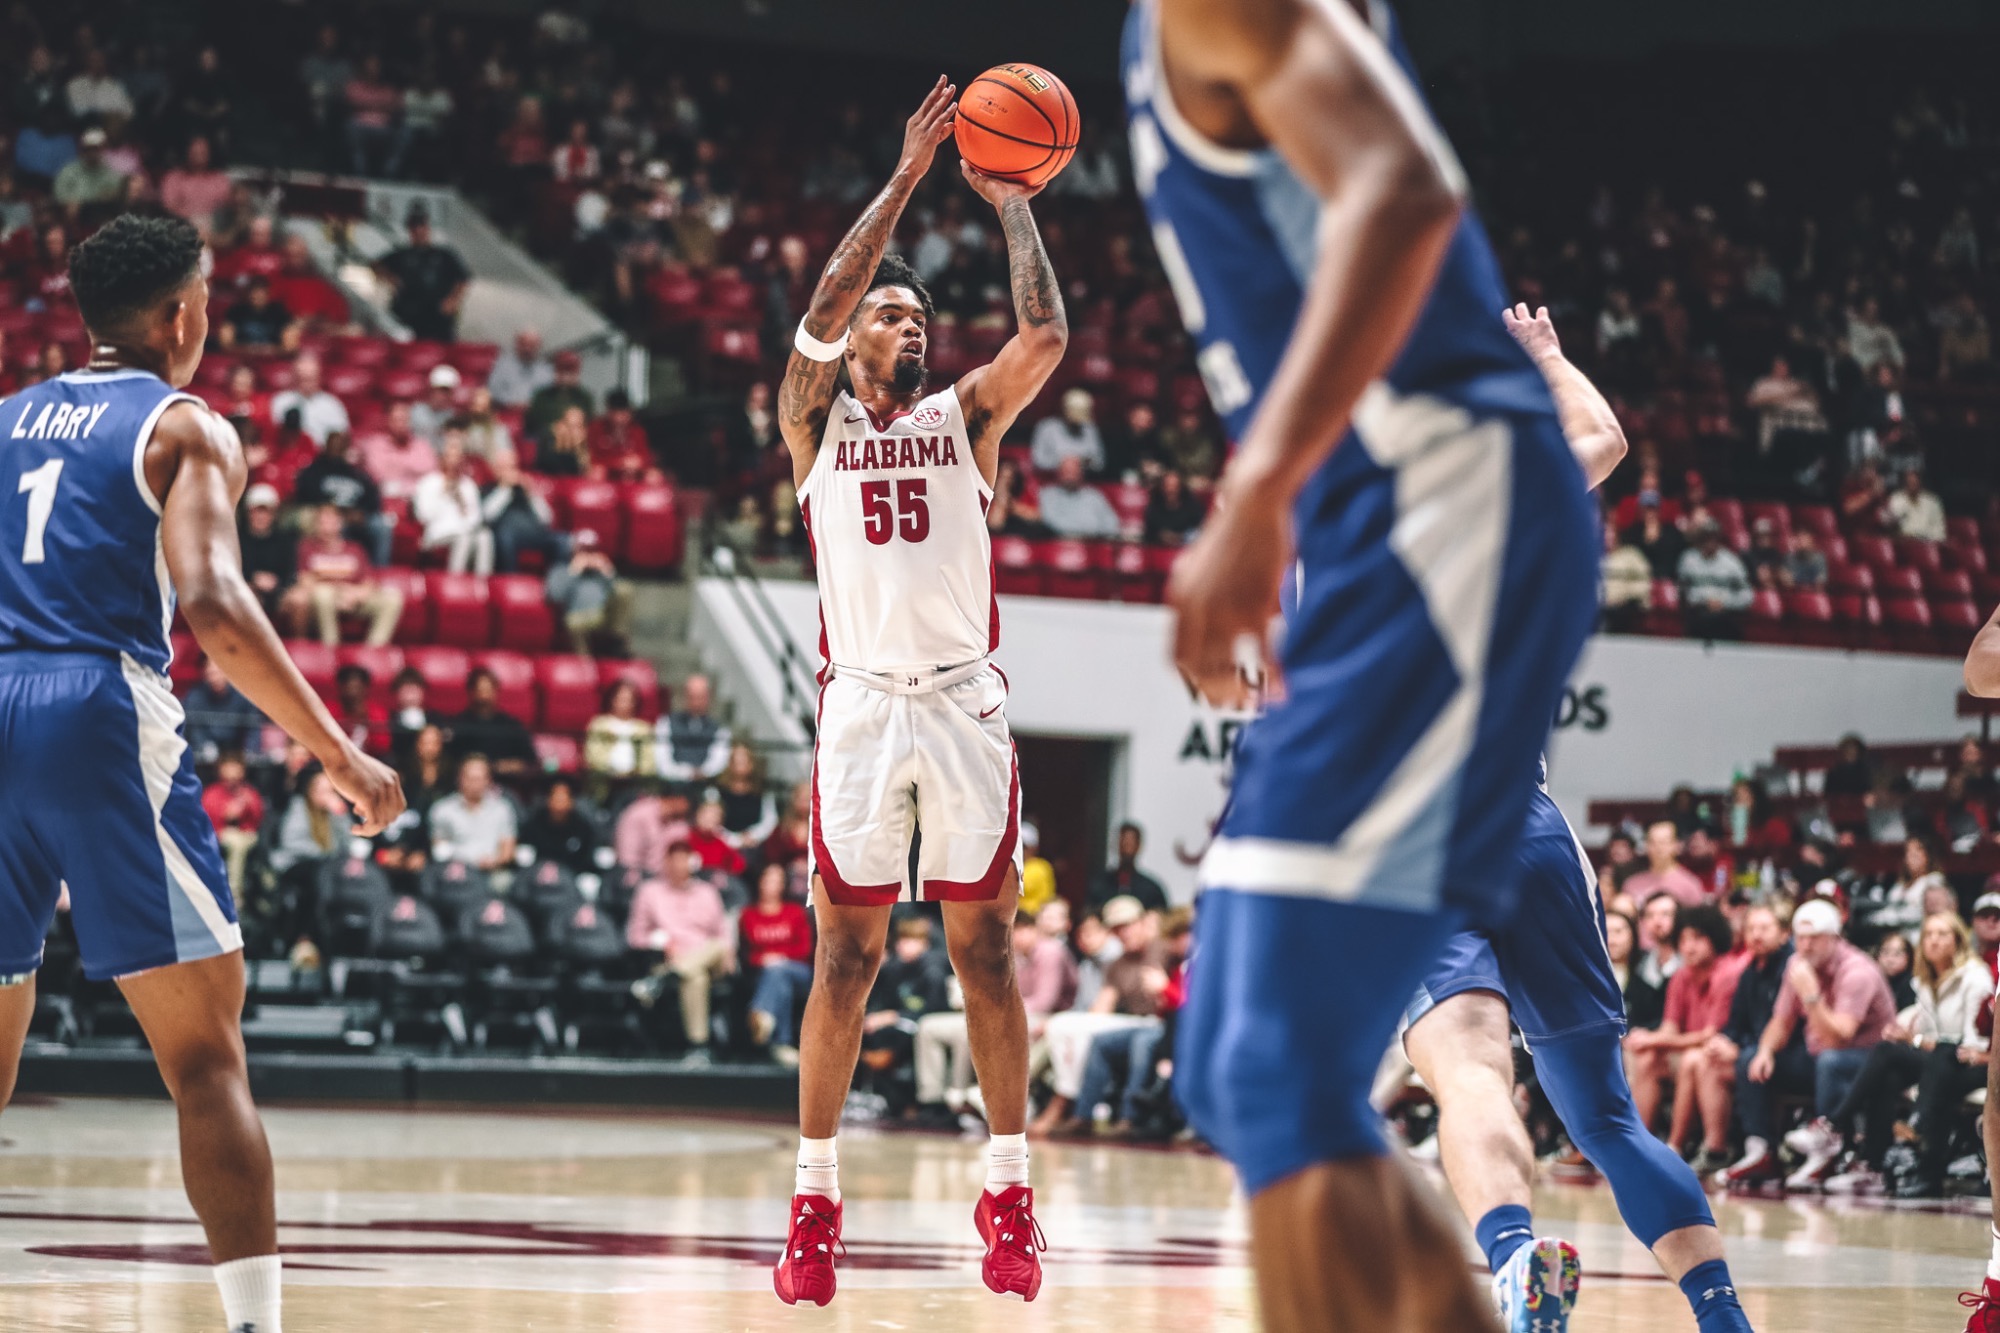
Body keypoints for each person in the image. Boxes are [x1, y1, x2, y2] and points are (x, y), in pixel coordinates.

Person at [1124, 3, 1622, 1330]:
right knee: (1239, 1073)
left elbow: (1401, 198)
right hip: (1384, 545)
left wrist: (1258, 492)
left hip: (1439, 525)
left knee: (1274, 1069)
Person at [0, 212, 403, 1333]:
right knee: (203, 1051)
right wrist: (340, 754)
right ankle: (254, 1328)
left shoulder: (6, 422)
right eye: (209, 297)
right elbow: (217, 608)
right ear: (182, 315)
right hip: (97, 708)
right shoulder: (185, 425)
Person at [769, 78, 1067, 1307]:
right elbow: (824, 307)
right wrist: (901, 184)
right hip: (859, 706)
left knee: (984, 951)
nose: (908, 329)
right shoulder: (811, 422)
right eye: (892, 316)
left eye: (917, 319)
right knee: (843, 962)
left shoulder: (966, 419)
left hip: (959, 705)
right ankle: (813, 1201)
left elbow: (1041, 338)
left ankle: (1007, 1193)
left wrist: (1009, 204)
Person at [1401, 302, 1749, 1333]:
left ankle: (1513, 1263)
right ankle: (1722, 1319)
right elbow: (1602, 439)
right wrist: (1548, 358)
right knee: (1602, 1115)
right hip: (1530, 823)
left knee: (1468, 1075)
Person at [1811, 912, 1991, 1199]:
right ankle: (1874, 1165)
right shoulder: (1924, 981)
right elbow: (1933, 1035)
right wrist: (1909, 1036)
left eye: (1942, 934)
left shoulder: (1975, 978)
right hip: (1942, 1061)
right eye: (1928, 934)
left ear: (1958, 941)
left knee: (1908, 1056)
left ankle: (1836, 1127)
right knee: (1890, 1071)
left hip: (1976, 1063)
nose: (1933, 940)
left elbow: (1971, 1045)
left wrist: (1916, 1040)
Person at [1723, 899, 1896, 1190]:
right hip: (1818, 1056)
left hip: (1865, 1060)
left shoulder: (1857, 971)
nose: (1805, 946)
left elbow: (1838, 1038)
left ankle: (1825, 1154)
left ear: (1835, 938)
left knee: (1830, 1061)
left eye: (1814, 938)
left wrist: (1812, 997)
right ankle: (1761, 1150)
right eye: (1800, 938)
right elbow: (1781, 1020)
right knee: (1750, 1058)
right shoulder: (1797, 964)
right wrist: (1765, 1051)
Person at [1624, 905, 1747, 1144]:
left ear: (1714, 938)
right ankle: (1639, 1143)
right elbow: (1670, 1026)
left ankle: (1677, 1145)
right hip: (1688, 1049)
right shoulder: (1681, 976)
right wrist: (1649, 1039)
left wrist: (1655, 1038)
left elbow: (1710, 1035)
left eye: (1698, 938)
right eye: (1682, 939)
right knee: (1646, 1057)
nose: (1689, 947)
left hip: (1720, 1051)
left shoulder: (1728, 975)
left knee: (1692, 1058)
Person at [625, 839, 735, 1058]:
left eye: (683, 860)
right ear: (665, 862)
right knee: (695, 978)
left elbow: (722, 934)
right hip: (668, 960)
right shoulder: (650, 891)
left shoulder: (707, 892)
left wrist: (729, 954)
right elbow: (635, 936)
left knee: (718, 946)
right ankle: (699, 1047)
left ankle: (666, 979)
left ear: (692, 863)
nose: (679, 865)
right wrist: (661, 942)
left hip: (709, 957)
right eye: (674, 860)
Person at [293, 504, 404, 647]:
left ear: (340, 523)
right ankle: (332, 648)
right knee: (323, 594)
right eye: (322, 521)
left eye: (331, 521)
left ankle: (373, 651)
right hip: (324, 598)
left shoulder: (355, 548)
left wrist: (355, 595)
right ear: (316, 524)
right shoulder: (307, 547)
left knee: (393, 599)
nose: (327, 526)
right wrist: (338, 592)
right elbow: (305, 581)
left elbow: (368, 582)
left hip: (353, 597)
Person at [741, 862, 814, 1066]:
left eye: (777, 880)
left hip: (800, 971)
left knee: (779, 971)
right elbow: (747, 954)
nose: (771, 885)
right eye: (767, 879)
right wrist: (766, 960)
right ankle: (781, 1044)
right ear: (759, 882)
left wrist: (779, 958)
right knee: (779, 982)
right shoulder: (748, 914)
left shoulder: (795, 912)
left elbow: (804, 950)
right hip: (764, 974)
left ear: (784, 885)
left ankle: (762, 1012)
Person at [375, 207, 470, 342]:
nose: (418, 231)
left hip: (437, 317)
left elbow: (463, 278)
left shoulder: (444, 254)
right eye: (414, 227)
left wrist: (453, 300)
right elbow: (376, 264)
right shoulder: (402, 254)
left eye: (422, 226)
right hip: (407, 313)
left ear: (428, 228)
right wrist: (390, 278)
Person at [411, 429, 494, 574]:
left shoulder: (468, 485)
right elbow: (423, 515)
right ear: (442, 458)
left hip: (464, 530)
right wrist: (442, 492)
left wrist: (462, 506)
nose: (454, 461)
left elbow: (477, 518)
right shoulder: (429, 482)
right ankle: (455, 581)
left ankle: (482, 584)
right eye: (450, 456)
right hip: (437, 534)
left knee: (484, 536)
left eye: (458, 457)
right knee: (464, 538)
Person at [545, 529, 632, 654]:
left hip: (603, 615)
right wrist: (574, 571)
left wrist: (608, 573)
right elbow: (555, 596)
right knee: (574, 624)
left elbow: (618, 596)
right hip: (579, 615)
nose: (588, 554)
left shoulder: (601, 571)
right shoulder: (561, 570)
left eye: (592, 550)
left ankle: (617, 643)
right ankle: (586, 666)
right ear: (573, 549)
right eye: (583, 550)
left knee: (624, 589)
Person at [427, 753, 517, 873]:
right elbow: (439, 850)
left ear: (489, 780)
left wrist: (495, 862)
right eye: (471, 778)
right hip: (455, 872)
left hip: (494, 871)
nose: (475, 784)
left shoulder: (502, 808)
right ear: (460, 779)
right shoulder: (442, 809)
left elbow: (508, 850)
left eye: (480, 778)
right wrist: (467, 863)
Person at [447, 667, 538, 779]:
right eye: (480, 690)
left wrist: (508, 766)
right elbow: (449, 762)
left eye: (488, 690)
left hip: (504, 784)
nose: (484, 696)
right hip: (467, 784)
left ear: (496, 692)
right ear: (471, 692)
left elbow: (530, 762)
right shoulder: (459, 726)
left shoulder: (511, 726)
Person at [1677, 518, 1753, 641]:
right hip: (1698, 614)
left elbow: (1747, 595)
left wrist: (1725, 603)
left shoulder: (1732, 562)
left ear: (1719, 539)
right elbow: (1682, 593)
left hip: (1726, 615)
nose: (1710, 542)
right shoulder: (1688, 560)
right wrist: (1704, 601)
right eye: (1706, 537)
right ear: (1700, 539)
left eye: (1713, 537)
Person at [658, 673, 731, 783]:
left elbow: (718, 763)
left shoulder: (719, 729)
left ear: (708, 697)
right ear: (685, 696)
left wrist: (702, 773)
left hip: (706, 786)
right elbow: (663, 762)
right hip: (673, 787)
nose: (696, 702)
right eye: (692, 696)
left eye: (700, 697)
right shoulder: (666, 723)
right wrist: (687, 773)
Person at [267, 353, 350, 447]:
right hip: (288, 455)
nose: (306, 383)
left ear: (319, 377)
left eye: (310, 378)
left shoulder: (333, 405)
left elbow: (341, 438)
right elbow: (272, 437)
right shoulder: (280, 401)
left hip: (322, 456)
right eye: (302, 378)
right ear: (294, 377)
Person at [520, 778, 601, 874]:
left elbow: (587, 859)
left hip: (572, 876)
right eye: (556, 799)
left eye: (563, 799)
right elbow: (525, 855)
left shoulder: (582, 827)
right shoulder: (534, 825)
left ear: (571, 802)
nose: (559, 805)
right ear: (549, 800)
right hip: (538, 877)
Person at [1086, 822, 1169, 915]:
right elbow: (1089, 914)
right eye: (1124, 842)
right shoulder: (1100, 884)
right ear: (1116, 844)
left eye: (1131, 843)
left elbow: (1161, 918)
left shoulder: (1151, 889)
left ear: (1139, 846)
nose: (1127, 847)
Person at [1623, 820, 1710, 908]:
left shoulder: (1690, 885)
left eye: (1664, 842)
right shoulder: (1631, 884)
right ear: (1646, 846)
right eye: (1653, 842)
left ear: (1677, 845)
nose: (1658, 848)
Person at [1038, 455, 1122, 539]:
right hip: (1059, 545)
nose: (1070, 477)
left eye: (1074, 472)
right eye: (1067, 472)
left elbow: (1112, 524)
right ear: (1058, 473)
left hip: (1093, 546)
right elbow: (1050, 524)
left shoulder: (1094, 496)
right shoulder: (1047, 495)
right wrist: (1088, 530)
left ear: (1081, 474)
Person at [585, 679, 655, 779]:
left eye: (629, 700)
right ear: (612, 700)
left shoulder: (644, 729)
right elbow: (593, 757)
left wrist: (637, 773)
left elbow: (649, 761)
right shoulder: (599, 725)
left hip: (635, 781)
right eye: (621, 699)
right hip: (606, 780)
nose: (624, 704)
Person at [1030, 387, 1105, 474]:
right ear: (1064, 410)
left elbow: (1099, 462)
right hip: (1051, 480)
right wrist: (1065, 463)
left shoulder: (1090, 429)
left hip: (1082, 482)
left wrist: (1082, 462)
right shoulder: (1046, 427)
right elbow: (1038, 461)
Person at [489, 328, 554, 408]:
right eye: (524, 344)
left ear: (539, 347)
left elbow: (550, 396)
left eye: (532, 346)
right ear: (517, 345)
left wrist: (532, 404)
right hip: (507, 411)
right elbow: (493, 391)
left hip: (535, 413)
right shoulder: (502, 365)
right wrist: (513, 403)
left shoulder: (546, 370)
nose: (527, 349)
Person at [1887, 467, 1947, 544]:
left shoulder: (1933, 502)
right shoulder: (1895, 499)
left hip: (1928, 545)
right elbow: (1889, 526)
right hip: (1903, 545)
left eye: (1914, 483)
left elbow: (1940, 533)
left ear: (1920, 482)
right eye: (1909, 483)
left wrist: (1925, 540)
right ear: (1904, 483)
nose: (1912, 485)